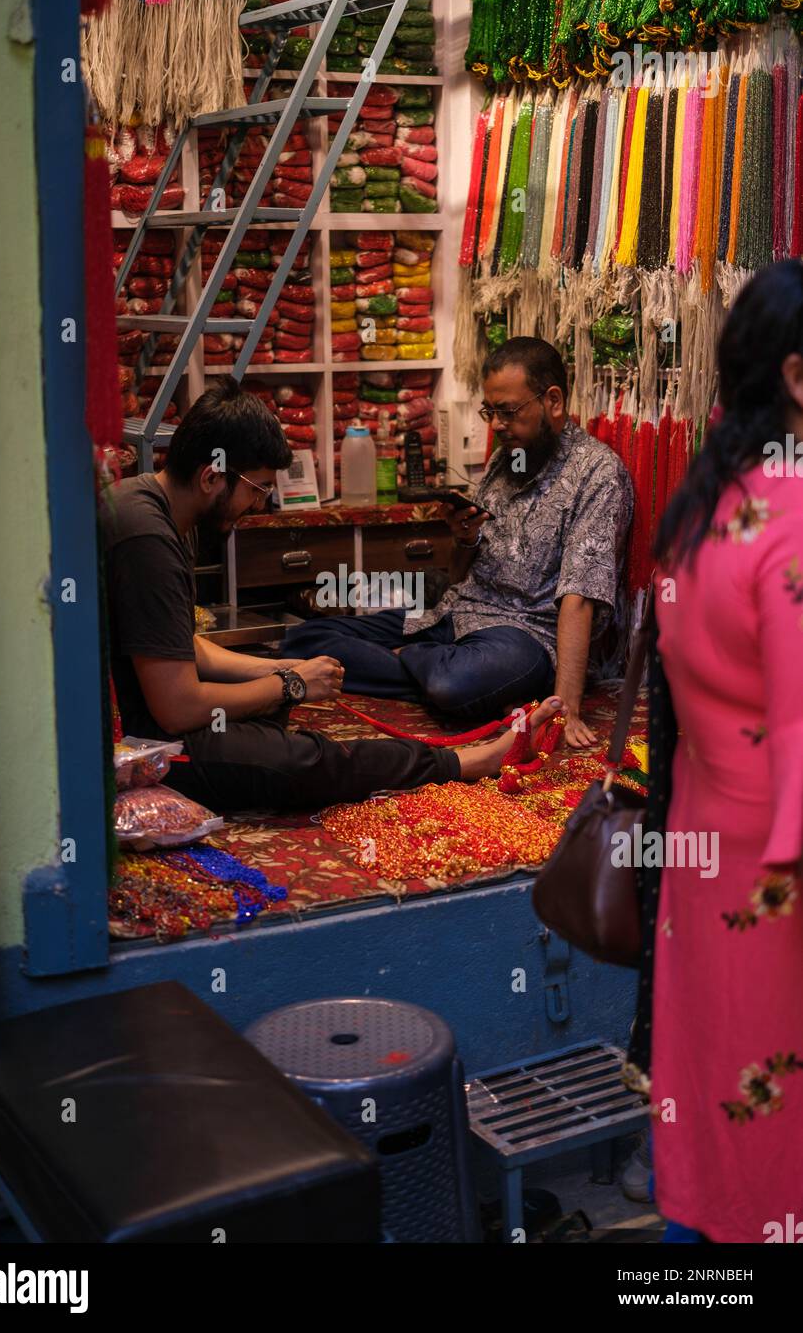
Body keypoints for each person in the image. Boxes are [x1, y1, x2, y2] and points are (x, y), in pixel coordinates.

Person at [102, 378, 562, 814]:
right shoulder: (149, 541)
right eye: (257, 489)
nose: (260, 505)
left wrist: (279, 671)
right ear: (210, 478)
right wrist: (292, 684)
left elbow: (183, 643)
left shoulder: (153, 503)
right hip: (151, 746)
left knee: (277, 705)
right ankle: (466, 763)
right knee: (314, 760)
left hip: (158, 713)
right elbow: (177, 708)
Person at [645, 260, 803, 1243]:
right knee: (772, 1096)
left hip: (702, 848)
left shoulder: (702, 508)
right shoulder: (788, 526)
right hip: (774, 870)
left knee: (709, 1073)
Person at [282, 337, 633, 747]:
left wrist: (565, 709)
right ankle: (447, 680)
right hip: (453, 617)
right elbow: (458, 575)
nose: (497, 425)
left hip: (523, 636)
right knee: (303, 640)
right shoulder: (507, 458)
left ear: (553, 401)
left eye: (508, 411)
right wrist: (464, 540)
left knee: (455, 683)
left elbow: (580, 597)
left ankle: (427, 669)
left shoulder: (598, 473)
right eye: (491, 411)